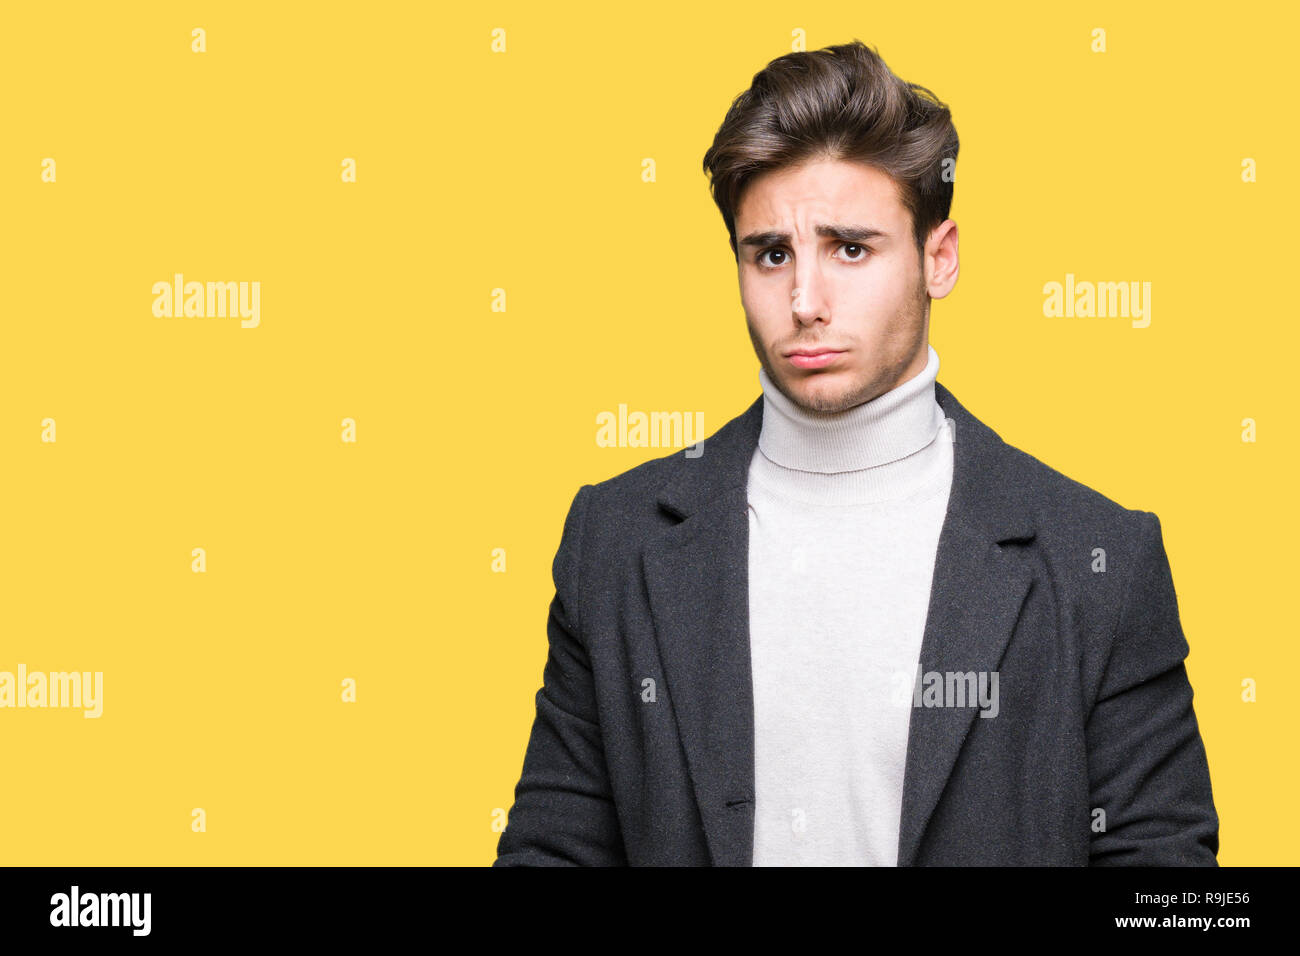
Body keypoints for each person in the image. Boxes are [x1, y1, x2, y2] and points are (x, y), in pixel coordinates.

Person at [494, 39, 1218, 866]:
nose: (804, 302)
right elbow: (554, 849)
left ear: (938, 258)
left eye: (850, 248)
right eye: (771, 254)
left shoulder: (1102, 561)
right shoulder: (614, 540)